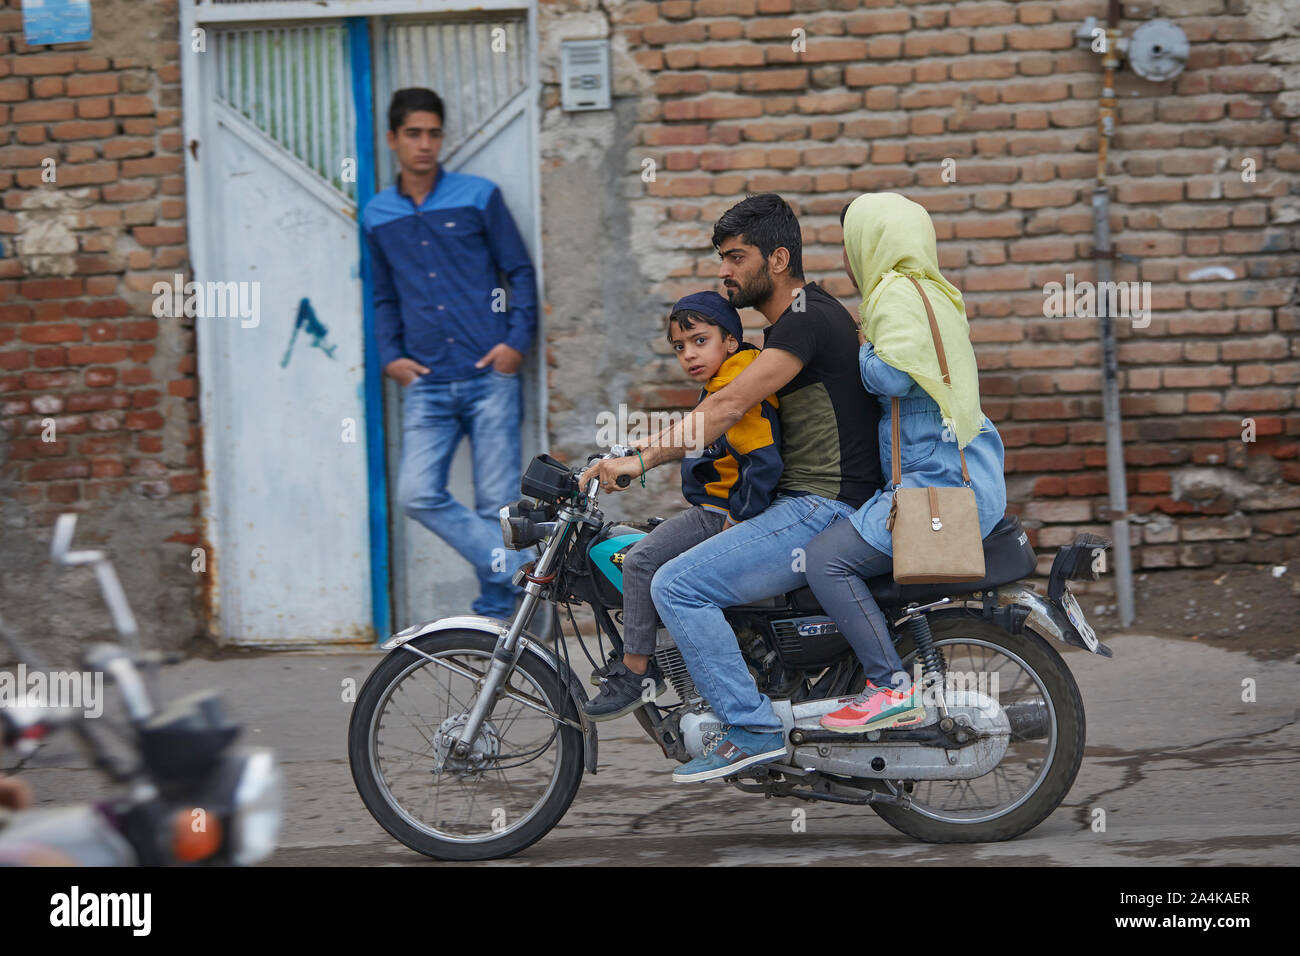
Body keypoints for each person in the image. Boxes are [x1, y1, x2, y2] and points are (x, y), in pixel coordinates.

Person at [580, 194, 884, 783]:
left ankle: (749, 729)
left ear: (776, 258)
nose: (724, 271)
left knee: (679, 585)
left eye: (734, 257)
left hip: (821, 506)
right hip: (807, 504)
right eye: (722, 258)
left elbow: (729, 406)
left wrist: (637, 460)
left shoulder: (804, 320)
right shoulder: (797, 320)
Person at [805, 192, 1007, 732]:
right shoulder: (940, 292)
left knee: (826, 560)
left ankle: (888, 687)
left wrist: (861, 346)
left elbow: (892, 376)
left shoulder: (893, 293)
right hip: (962, 472)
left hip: (932, 486)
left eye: (852, 246)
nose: (849, 261)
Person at [362, 88, 538, 621]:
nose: (425, 144)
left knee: (495, 505)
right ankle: (518, 574)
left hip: (490, 373)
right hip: (428, 382)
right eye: (413, 134)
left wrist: (516, 342)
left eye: (433, 133)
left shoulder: (478, 196)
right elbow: (382, 294)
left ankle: (497, 612)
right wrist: (389, 355)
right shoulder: (377, 213)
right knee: (417, 494)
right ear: (393, 139)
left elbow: (521, 273)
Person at [583, 292, 782, 721]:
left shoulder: (736, 386)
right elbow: (690, 434)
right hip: (718, 509)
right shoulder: (726, 378)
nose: (689, 354)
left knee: (638, 561)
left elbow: (764, 462)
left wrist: (737, 519)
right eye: (679, 346)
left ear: (730, 340)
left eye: (699, 340)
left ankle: (637, 670)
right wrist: (637, 450)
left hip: (719, 514)